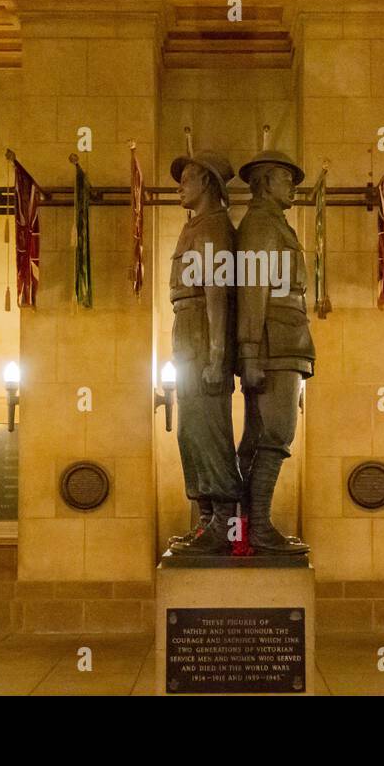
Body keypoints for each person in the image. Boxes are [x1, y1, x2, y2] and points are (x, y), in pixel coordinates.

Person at [235, 150, 313, 555]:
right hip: (273, 347)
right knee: (274, 437)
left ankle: (246, 527)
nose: (293, 186)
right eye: (286, 178)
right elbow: (252, 290)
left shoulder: (275, 224)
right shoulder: (260, 225)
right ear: (265, 181)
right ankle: (258, 528)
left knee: (265, 437)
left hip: (286, 345)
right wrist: (249, 354)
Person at [167, 150, 242, 556]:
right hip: (187, 330)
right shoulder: (194, 226)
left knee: (210, 431)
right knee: (190, 431)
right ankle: (206, 522)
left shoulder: (214, 228)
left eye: (189, 177)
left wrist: (217, 358)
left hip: (202, 332)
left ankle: (225, 528)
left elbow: (217, 296)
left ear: (209, 184)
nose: (181, 185)